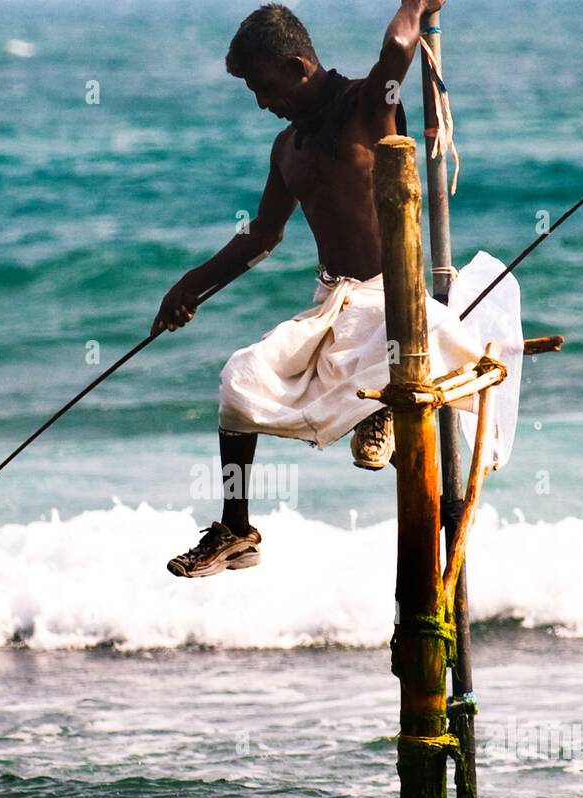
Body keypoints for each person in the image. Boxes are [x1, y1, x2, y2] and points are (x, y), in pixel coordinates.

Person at [158, 1, 460, 578]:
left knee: (395, 356)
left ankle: (386, 421)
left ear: (298, 67)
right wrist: (192, 284)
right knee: (240, 380)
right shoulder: (288, 149)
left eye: (263, 87)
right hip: (333, 305)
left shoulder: (370, 107)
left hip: (393, 299)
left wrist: (414, 4)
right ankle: (236, 529)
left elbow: (397, 50)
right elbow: (263, 236)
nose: (261, 103)